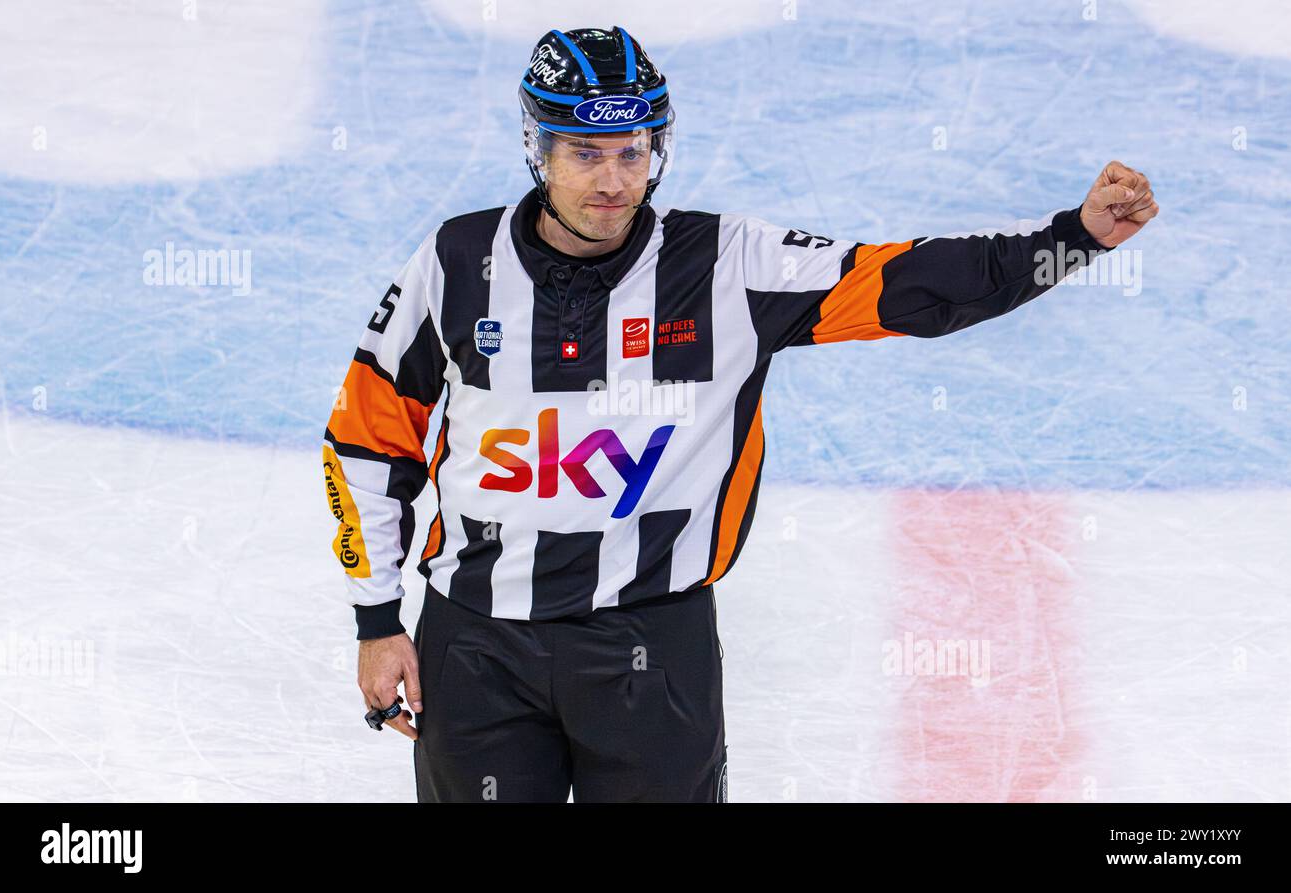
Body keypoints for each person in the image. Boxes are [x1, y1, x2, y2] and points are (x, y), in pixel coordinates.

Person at [321, 25, 1158, 802]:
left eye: (633, 151)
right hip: (475, 647)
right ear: (537, 149)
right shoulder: (455, 261)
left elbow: (913, 284)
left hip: (651, 647)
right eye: (585, 153)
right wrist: (376, 619)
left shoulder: (729, 265)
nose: (613, 182)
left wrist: (1073, 236)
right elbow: (364, 438)